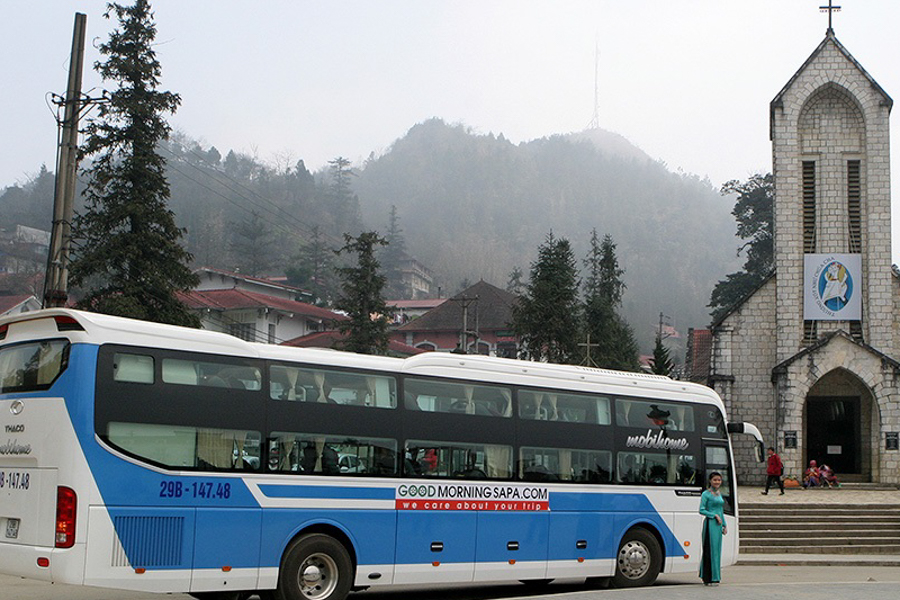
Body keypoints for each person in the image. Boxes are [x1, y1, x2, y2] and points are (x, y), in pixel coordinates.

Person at [699, 472, 727, 586]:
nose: (717, 482)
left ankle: (716, 576)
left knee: (717, 551)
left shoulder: (719, 493)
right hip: (710, 524)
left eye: (719, 480)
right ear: (710, 481)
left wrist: (724, 525)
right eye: (715, 480)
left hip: (718, 525)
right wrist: (713, 515)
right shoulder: (706, 494)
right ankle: (708, 577)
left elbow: (721, 510)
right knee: (710, 550)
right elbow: (701, 510)